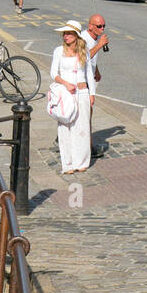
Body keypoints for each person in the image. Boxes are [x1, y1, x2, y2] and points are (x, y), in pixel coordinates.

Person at [50, 21, 96, 174]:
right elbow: (53, 73)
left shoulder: (84, 51)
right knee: (65, 129)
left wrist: (92, 94)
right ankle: (68, 164)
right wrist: (65, 83)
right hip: (66, 93)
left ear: (77, 35)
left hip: (82, 93)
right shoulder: (58, 51)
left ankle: (81, 162)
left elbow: (89, 73)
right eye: (64, 33)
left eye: (69, 33)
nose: (66, 36)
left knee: (82, 128)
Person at [82, 12, 109, 157]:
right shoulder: (84, 39)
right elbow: (84, 58)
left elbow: (92, 59)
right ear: (90, 26)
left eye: (104, 26)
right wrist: (100, 45)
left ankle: (87, 144)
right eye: (99, 26)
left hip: (90, 78)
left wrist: (96, 70)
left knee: (86, 114)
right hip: (82, 81)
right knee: (86, 114)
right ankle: (89, 148)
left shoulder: (95, 38)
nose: (102, 29)